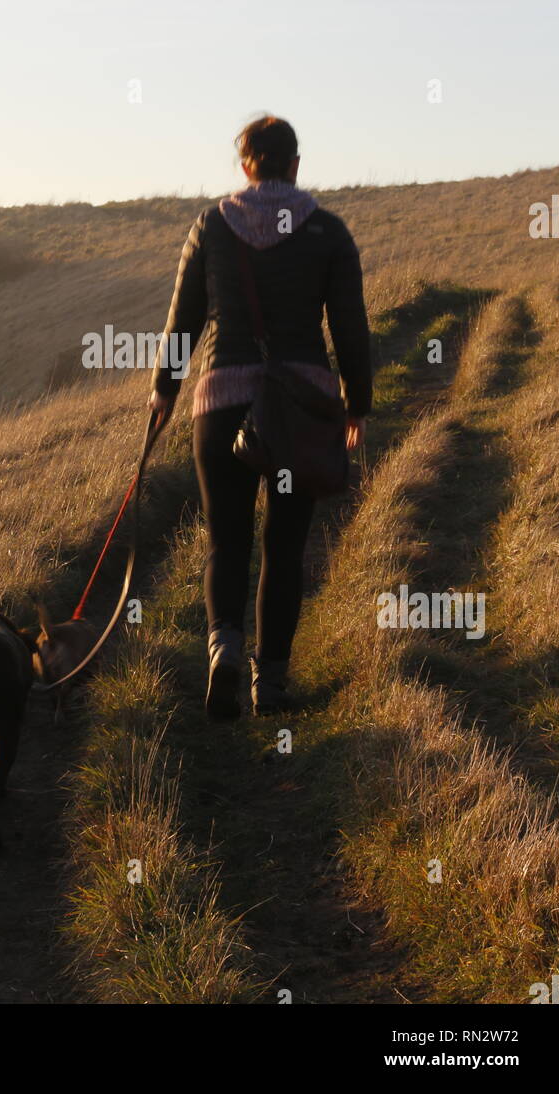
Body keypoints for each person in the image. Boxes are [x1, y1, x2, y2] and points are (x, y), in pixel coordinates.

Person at [148, 116, 372, 720]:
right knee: (285, 544)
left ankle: (223, 646)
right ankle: (269, 684)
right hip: (299, 411)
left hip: (221, 406)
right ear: (295, 164)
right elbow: (350, 326)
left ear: (244, 165)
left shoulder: (212, 225)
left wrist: (165, 390)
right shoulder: (327, 231)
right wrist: (357, 403)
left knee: (226, 539)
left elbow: (184, 320)